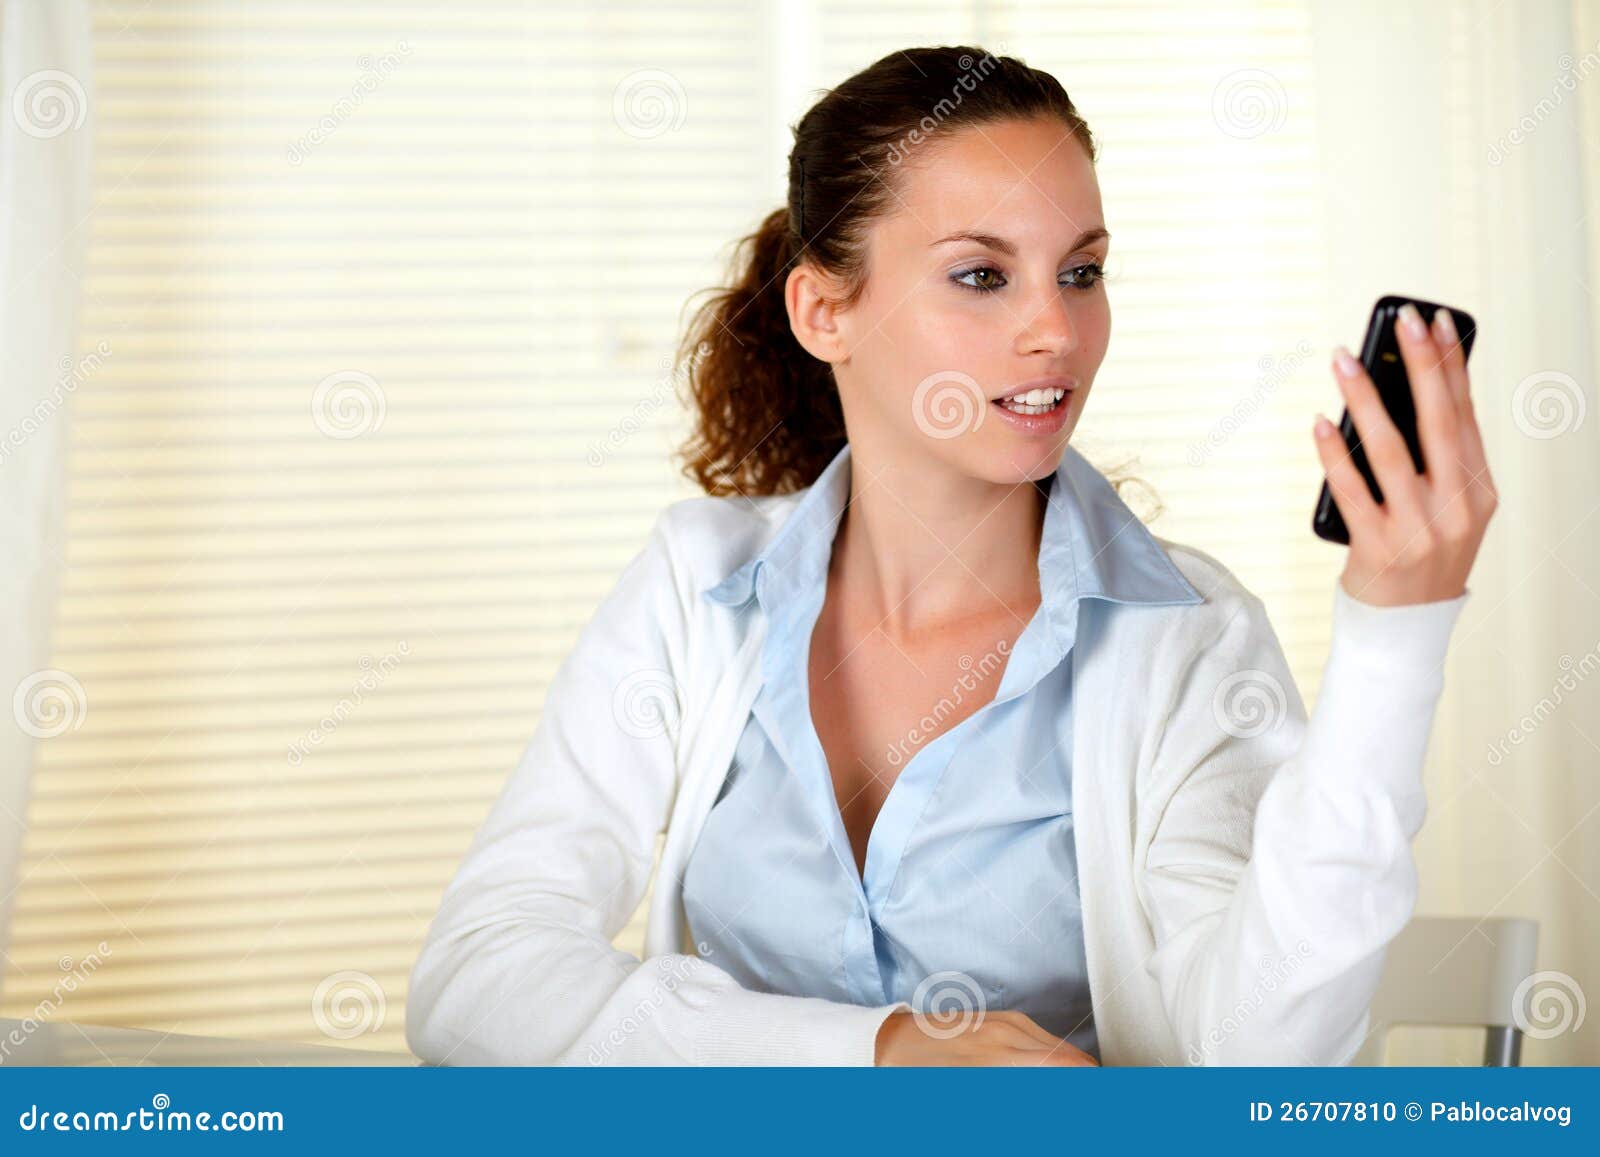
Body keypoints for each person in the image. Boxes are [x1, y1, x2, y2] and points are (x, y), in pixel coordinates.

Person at [406, 45, 1496, 1067]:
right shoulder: (696, 587)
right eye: (982, 275)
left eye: (1081, 271)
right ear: (825, 308)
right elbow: (475, 976)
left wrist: (1392, 638)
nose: (1056, 333)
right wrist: (880, 1050)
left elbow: (1261, 1052)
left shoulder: (1182, 635)